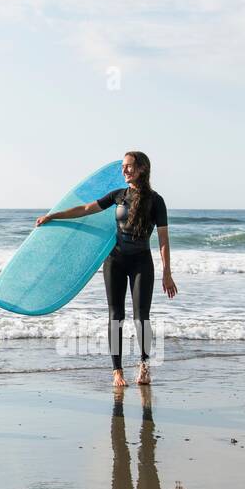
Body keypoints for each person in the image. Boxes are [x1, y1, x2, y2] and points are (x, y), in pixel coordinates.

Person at [36, 151, 176, 387]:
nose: (124, 170)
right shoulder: (119, 196)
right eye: (123, 166)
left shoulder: (156, 201)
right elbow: (86, 209)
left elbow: (163, 239)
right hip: (116, 261)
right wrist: (53, 216)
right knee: (116, 316)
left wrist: (167, 273)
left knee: (142, 317)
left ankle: (143, 365)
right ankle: (117, 371)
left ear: (142, 168)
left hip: (142, 261)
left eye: (128, 166)